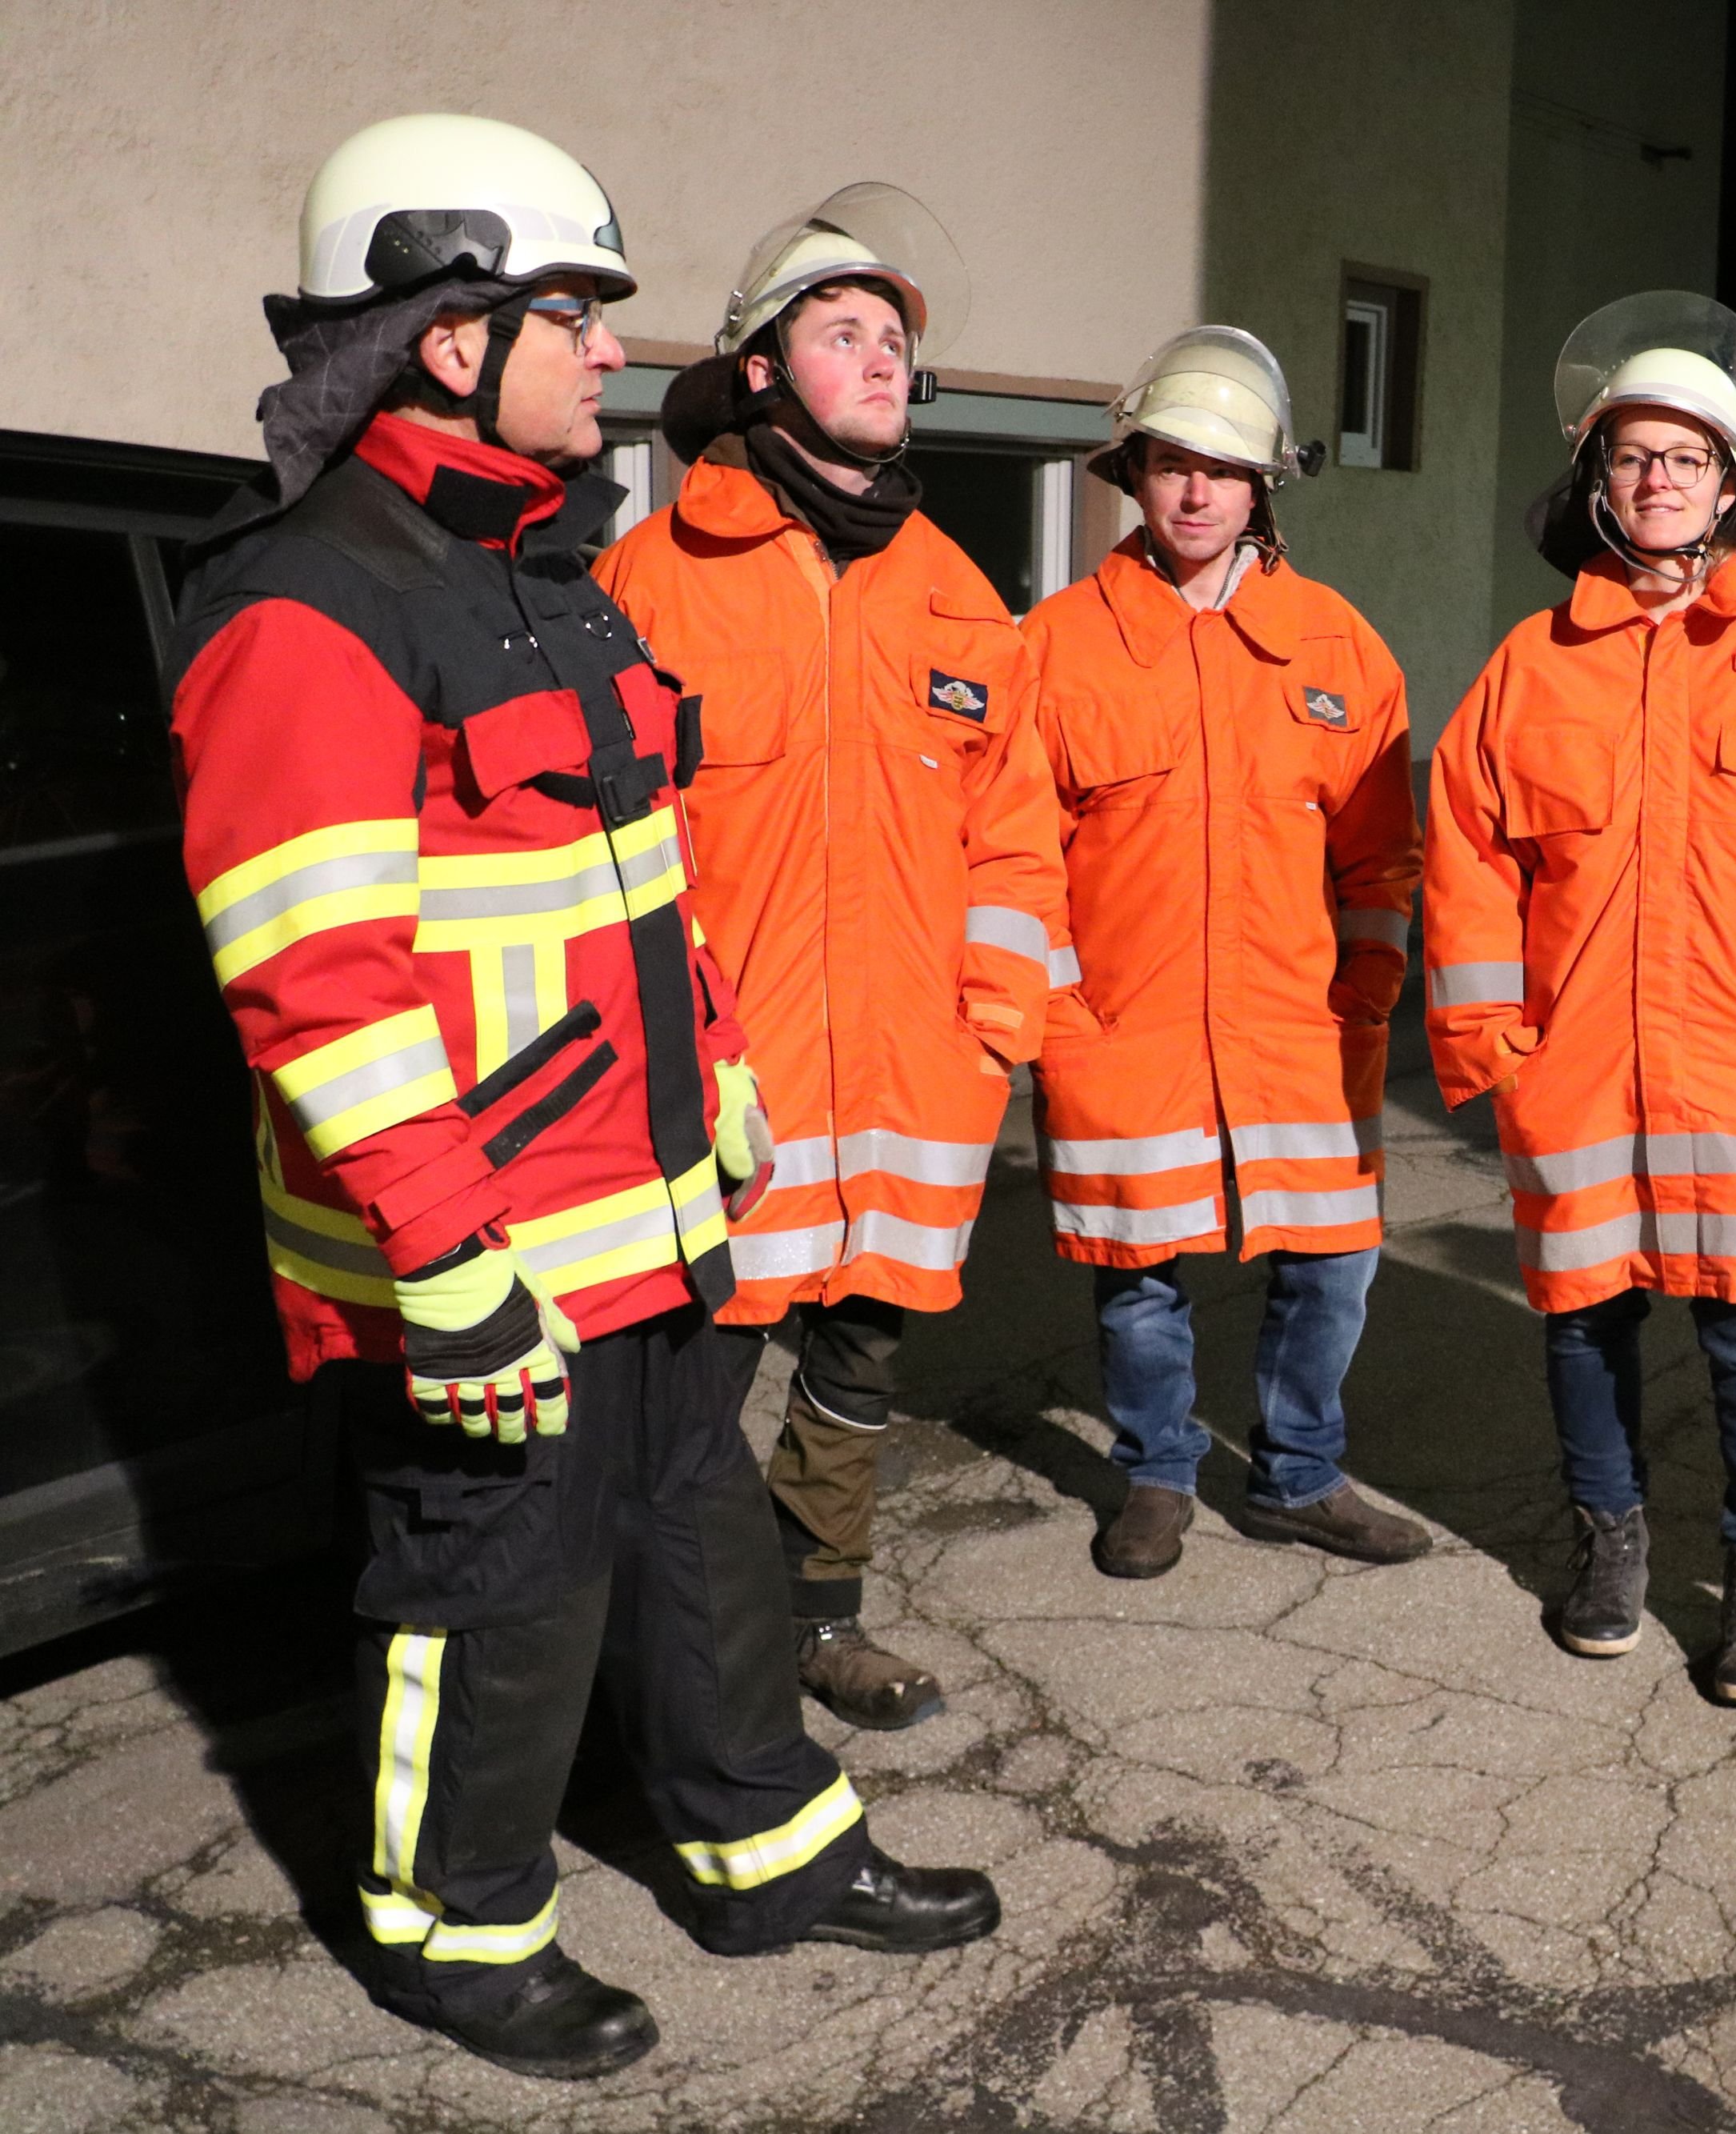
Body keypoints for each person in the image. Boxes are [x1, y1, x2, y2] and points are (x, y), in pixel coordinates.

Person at [168, 118, 1002, 2080]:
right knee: (493, 1581)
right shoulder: (314, 602)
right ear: (448, 337)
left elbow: (640, 882)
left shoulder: (536, 575)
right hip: (483, 1245)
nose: (605, 353)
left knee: (698, 1534)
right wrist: (444, 1257)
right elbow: (319, 993)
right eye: (571, 314)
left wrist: (712, 1072)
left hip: (637, 1218)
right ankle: (449, 1926)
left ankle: (766, 1848)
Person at [595, 186, 1060, 1729]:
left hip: (914, 1078)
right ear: (756, 372)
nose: (878, 358)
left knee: (858, 1363)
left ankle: (816, 1624)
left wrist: (992, 1022)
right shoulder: (649, 578)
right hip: (731, 1086)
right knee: (688, 1397)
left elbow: (1014, 832)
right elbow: (607, 851)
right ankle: (673, 1656)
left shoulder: (956, 590)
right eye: (839, 330)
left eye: (892, 339)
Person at [1425, 292, 1736, 1704]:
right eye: (1631, 457)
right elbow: (1469, 866)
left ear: (1731, 484)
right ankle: (1613, 1550)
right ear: (1597, 482)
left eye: (1684, 458)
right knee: (1586, 1321)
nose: (1655, 480)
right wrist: (1495, 1046)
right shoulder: (1530, 666)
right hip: (1577, 1074)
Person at [1021, 326, 1426, 1576]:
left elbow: (1382, 854)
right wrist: (1057, 1010)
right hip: (1123, 1025)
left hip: (1300, 1024)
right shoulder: (1058, 642)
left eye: (1225, 469)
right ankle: (1155, 1475)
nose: (1196, 493)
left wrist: (1370, 984)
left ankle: (1299, 1475)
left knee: (1334, 1260)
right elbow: (1014, 854)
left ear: (1264, 487)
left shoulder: (1337, 644)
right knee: (1140, 1271)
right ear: (1133, 475)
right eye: (1171, 465)